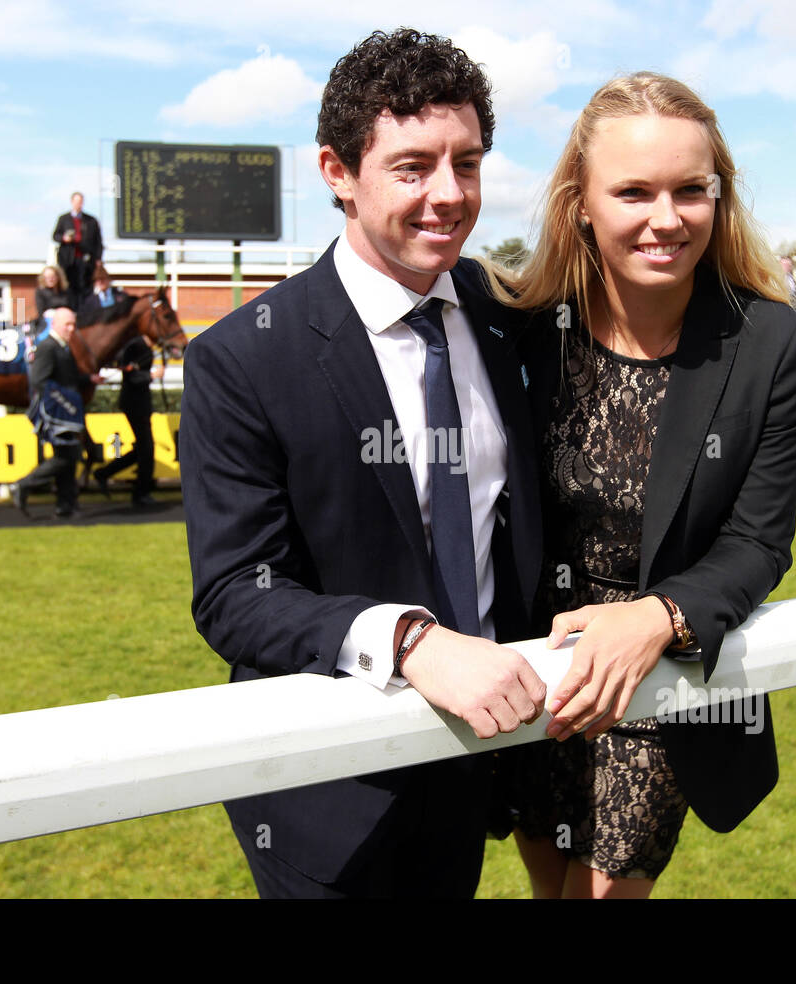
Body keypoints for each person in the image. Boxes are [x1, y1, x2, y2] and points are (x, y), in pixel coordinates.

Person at [180, 28, 547, 899]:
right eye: (413, 167)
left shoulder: (509, 320)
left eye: (468, 164)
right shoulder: (242, 360)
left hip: (475, 764)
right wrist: (411, 639)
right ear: (337, 173)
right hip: (324, 798)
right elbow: (234, 593)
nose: (449, 196)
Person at [489, 72, 796, 898]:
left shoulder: (772, 343)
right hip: (533, 670)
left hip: (662, 679)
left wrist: (658, 615)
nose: (666, 219)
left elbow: (758, 542)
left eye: (690, 190)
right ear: (581, 202)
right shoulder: (525, 330)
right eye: (633, 191)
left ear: (720, 196)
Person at [12, 307, 102, 519]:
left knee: (68, 458)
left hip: (66, 415)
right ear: (55, 324)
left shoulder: (63, 347)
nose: (71, 329)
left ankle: (65, 506)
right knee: (66, 457)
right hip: (56, 415)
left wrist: (90, 379)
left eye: (73, 325)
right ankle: (22, 485)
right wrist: (63, 403)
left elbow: (67, 379)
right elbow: (39, 381)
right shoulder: (48, 347)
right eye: (67, 324)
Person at [93, 334, 160, 508]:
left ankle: (104, 473)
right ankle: (141, 493)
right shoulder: (134, 346)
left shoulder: (144, 347)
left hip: (140, 404)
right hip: (135, 404)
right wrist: (152, 376)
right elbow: (131, 376)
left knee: (143, 449)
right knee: (146, 449)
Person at [52, 192, 102, 303]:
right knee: (69, 285)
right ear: (72, 202)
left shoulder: (91, 221)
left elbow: (98, 241)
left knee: (85, 285)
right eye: (76, 201)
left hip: (86, 260)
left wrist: (98, 258)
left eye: (80, 202)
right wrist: (65, 238)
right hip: (68, 260)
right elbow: (55, 236)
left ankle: (84, 310)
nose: (79, 204)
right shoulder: (63, 219)